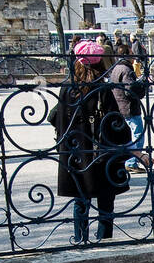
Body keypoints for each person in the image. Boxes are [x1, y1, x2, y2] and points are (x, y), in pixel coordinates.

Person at [51, 39, 131, 244]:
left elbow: (55, 117)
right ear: (99, 63)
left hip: (77, 153)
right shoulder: (102, 89)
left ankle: (80, 240)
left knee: (81, 201)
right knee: (106, 204)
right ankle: (104, 242)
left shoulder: (68, 88)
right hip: (101, 154)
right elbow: (115, 123)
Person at [108, 42, 150, 171]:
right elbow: (131, 90)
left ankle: (130, 161)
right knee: (137, 135)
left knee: (130, 134)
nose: (134, 56)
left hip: (120, 106)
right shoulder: (126, 69)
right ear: (125, 55)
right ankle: (132, 161)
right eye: (132, 54)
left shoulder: (116, 68)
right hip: (129, 107)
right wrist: (143, 87)